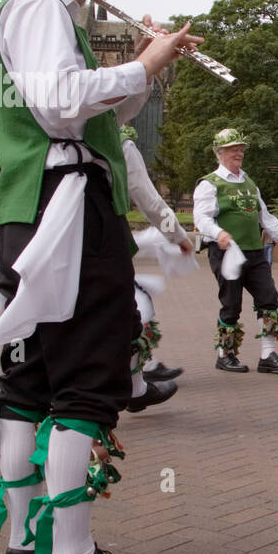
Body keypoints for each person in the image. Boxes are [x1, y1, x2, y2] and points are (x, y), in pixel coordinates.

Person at [0, 0, 198, 554]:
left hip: (35, 209)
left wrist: (145, 66)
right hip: (67, 209)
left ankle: (24, 545)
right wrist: (142, 67)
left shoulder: (38, 10)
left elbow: (90, 113)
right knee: (87, 376)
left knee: (30, 380)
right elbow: (60, 104)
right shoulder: (41, 7)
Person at [193, 128, 278, 374]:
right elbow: (201, 217)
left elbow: (266, 217)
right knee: (231, 303)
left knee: (269, 298)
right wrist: (219, 233)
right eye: (233, 149)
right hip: (226, 253)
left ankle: (268, 355)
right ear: (220, 153)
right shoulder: (210, 184)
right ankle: (226, 354)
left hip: (255, 253)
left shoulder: (249, 183)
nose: (239, 152)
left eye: (241, 149)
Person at [119, 123, 185, 410]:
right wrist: (178, 236)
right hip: (97, 241)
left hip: (32, 230)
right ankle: (134, 388)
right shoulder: (116, 139)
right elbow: (147, 197)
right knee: (135, 309)